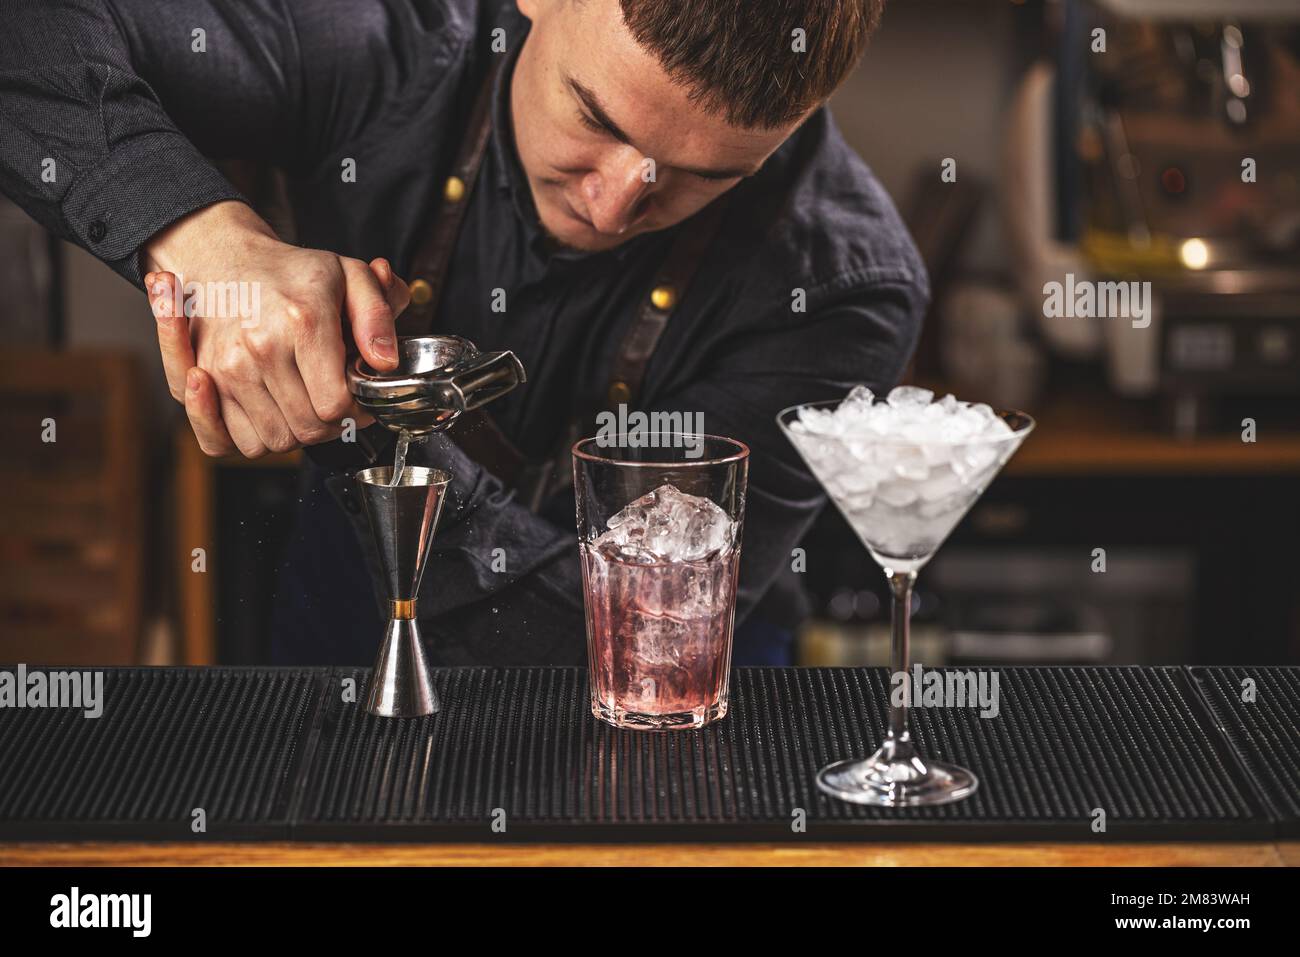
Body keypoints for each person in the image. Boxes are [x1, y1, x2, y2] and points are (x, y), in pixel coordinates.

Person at [0, 0, 927, 666]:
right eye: (594, 119)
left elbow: (620, 640)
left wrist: (362, 404)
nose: (611, 206)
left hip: (667, 710)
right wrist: (205, 241)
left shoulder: (845, 283)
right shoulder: (382, 40)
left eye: (699, 177)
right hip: (342, 630)